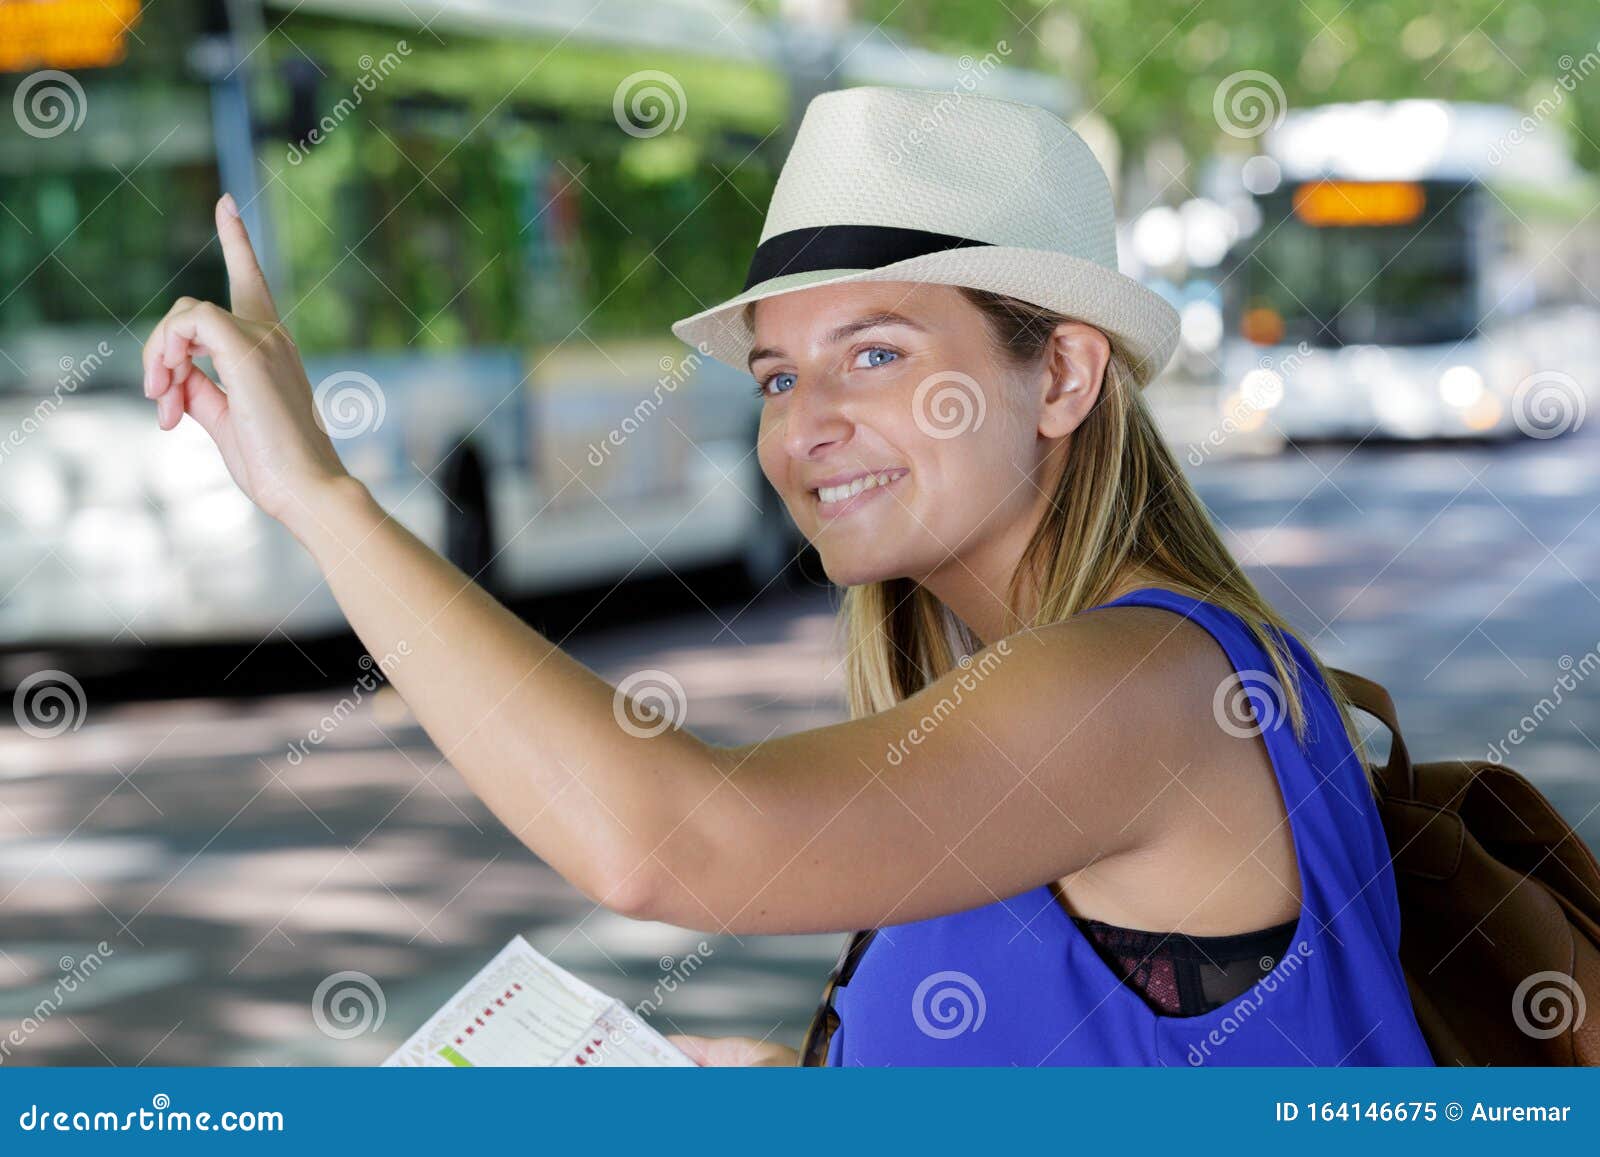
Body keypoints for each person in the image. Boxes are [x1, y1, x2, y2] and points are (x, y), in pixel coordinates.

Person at [140, 85, 1433, 1066]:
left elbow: (671, 843)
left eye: (873, 354)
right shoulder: (1048, 689)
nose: (802, 421)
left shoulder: (1140, 680)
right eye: (774, 374)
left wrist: (318, 493)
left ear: (1061, 376)